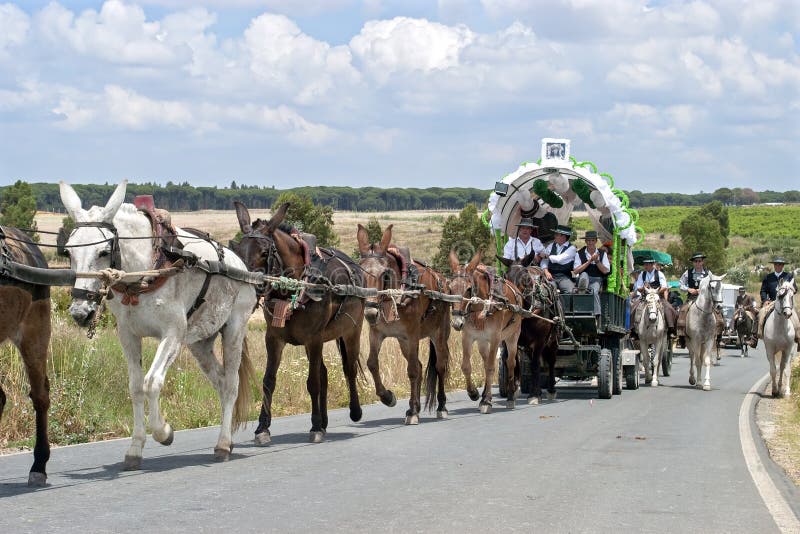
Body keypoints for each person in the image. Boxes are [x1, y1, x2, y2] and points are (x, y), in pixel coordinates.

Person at [749, 257, 799, 348]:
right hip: (772, 302)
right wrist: (765, 300)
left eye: (780, 264)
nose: (778, 266)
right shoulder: (768, 277)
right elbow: (763, 291)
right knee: (760, 314)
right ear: (774, 265)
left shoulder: (789, 276)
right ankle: (754, 337)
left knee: (795, 316)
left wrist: (790, 289)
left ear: (783, 266)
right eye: (776, 264)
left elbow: (795, 289)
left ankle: (798, 338)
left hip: (785, 303)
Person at [676, 252, 723, 348]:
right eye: (696, 261)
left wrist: (702, 290)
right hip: (691, 298)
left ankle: (719, 336)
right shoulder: (687, 273)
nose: (698, 263)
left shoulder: (708, 274)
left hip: (705, 299)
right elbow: (680, 284)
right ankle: (681, 336)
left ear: (702, 262)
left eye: (700, 261)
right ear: (693, 262)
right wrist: (689, 289)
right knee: (682, 311)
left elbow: (713, 285)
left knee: (719, 314)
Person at [630, 257, 677, 338]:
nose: (645, 266)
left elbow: (664, 286)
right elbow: (639, 287)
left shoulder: (659, 274)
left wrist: (655, 292)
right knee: (634, 307)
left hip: (658, 296)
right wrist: (644, 287)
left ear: (652, 265)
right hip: (645, 297)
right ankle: (633, 330)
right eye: (645, 264)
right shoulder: (642, 274)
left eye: (647, 264)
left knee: (669, 308)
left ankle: (671, 329)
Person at [572, 230, 609, 317]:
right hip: (583, 277)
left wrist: (597, 261)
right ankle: (583, 287)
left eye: (592, 240)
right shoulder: (579, 253)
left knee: (594, 291)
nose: (590, 242)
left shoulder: (602, 253)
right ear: (585, 241)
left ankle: (596, 314)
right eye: (588, 240)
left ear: (596, 241)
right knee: (584, 275)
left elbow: (605, 271)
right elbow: (575, 271)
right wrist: (589, 261)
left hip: (596, 279)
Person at [540, 224, 576, 292]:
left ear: (564, 236)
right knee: (547, 291)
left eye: (557, 234)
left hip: (564, 277)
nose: (554, 236)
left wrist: (546, 256)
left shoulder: (572, 248)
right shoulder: (551, 246)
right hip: (550, 275)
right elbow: (544, 261)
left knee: (571, 291)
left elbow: (559, 259)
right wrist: (546, 271)